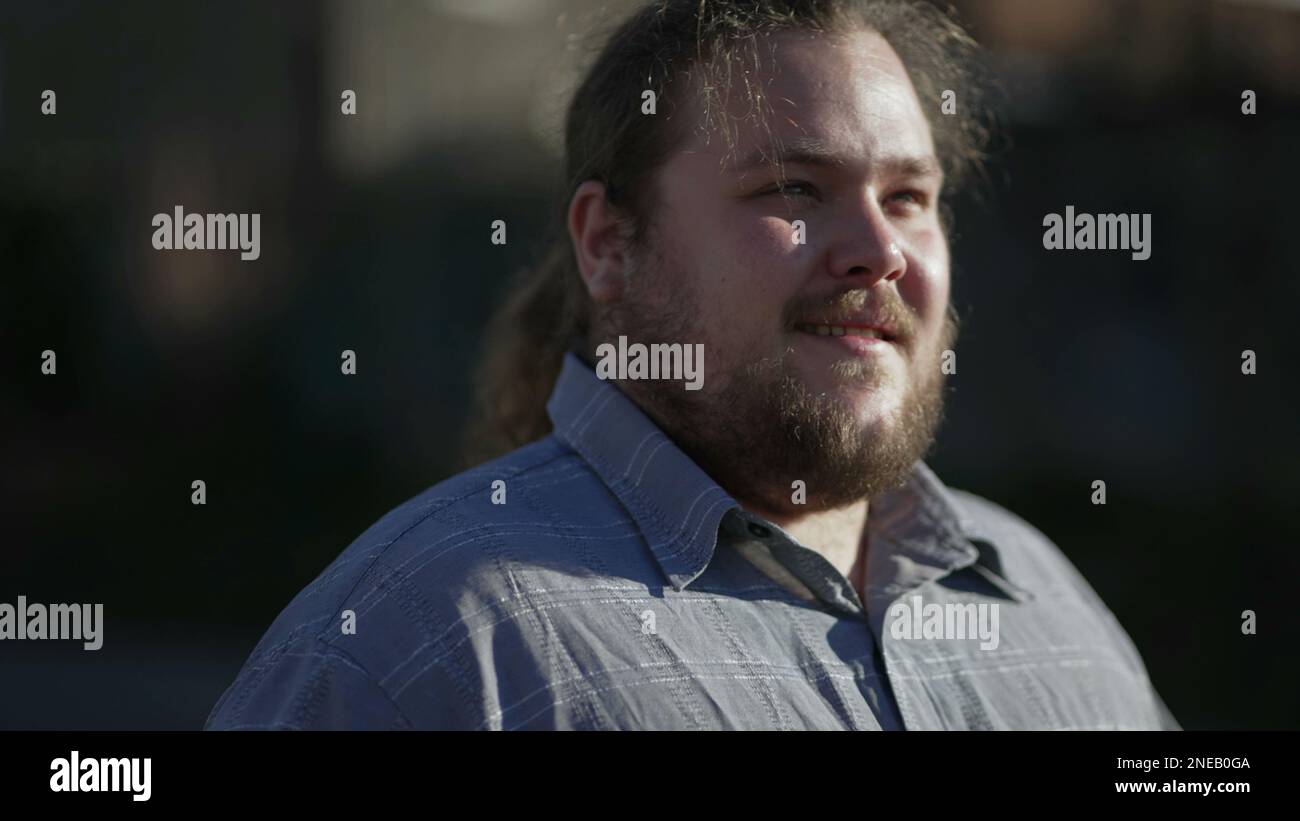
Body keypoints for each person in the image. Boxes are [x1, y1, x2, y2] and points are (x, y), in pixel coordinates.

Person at [207, 0, 1179, 730]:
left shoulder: (1051, 604)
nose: (879, 249)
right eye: (795, 186)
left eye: (909, 195)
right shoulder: (424, 646)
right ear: (608, 243)